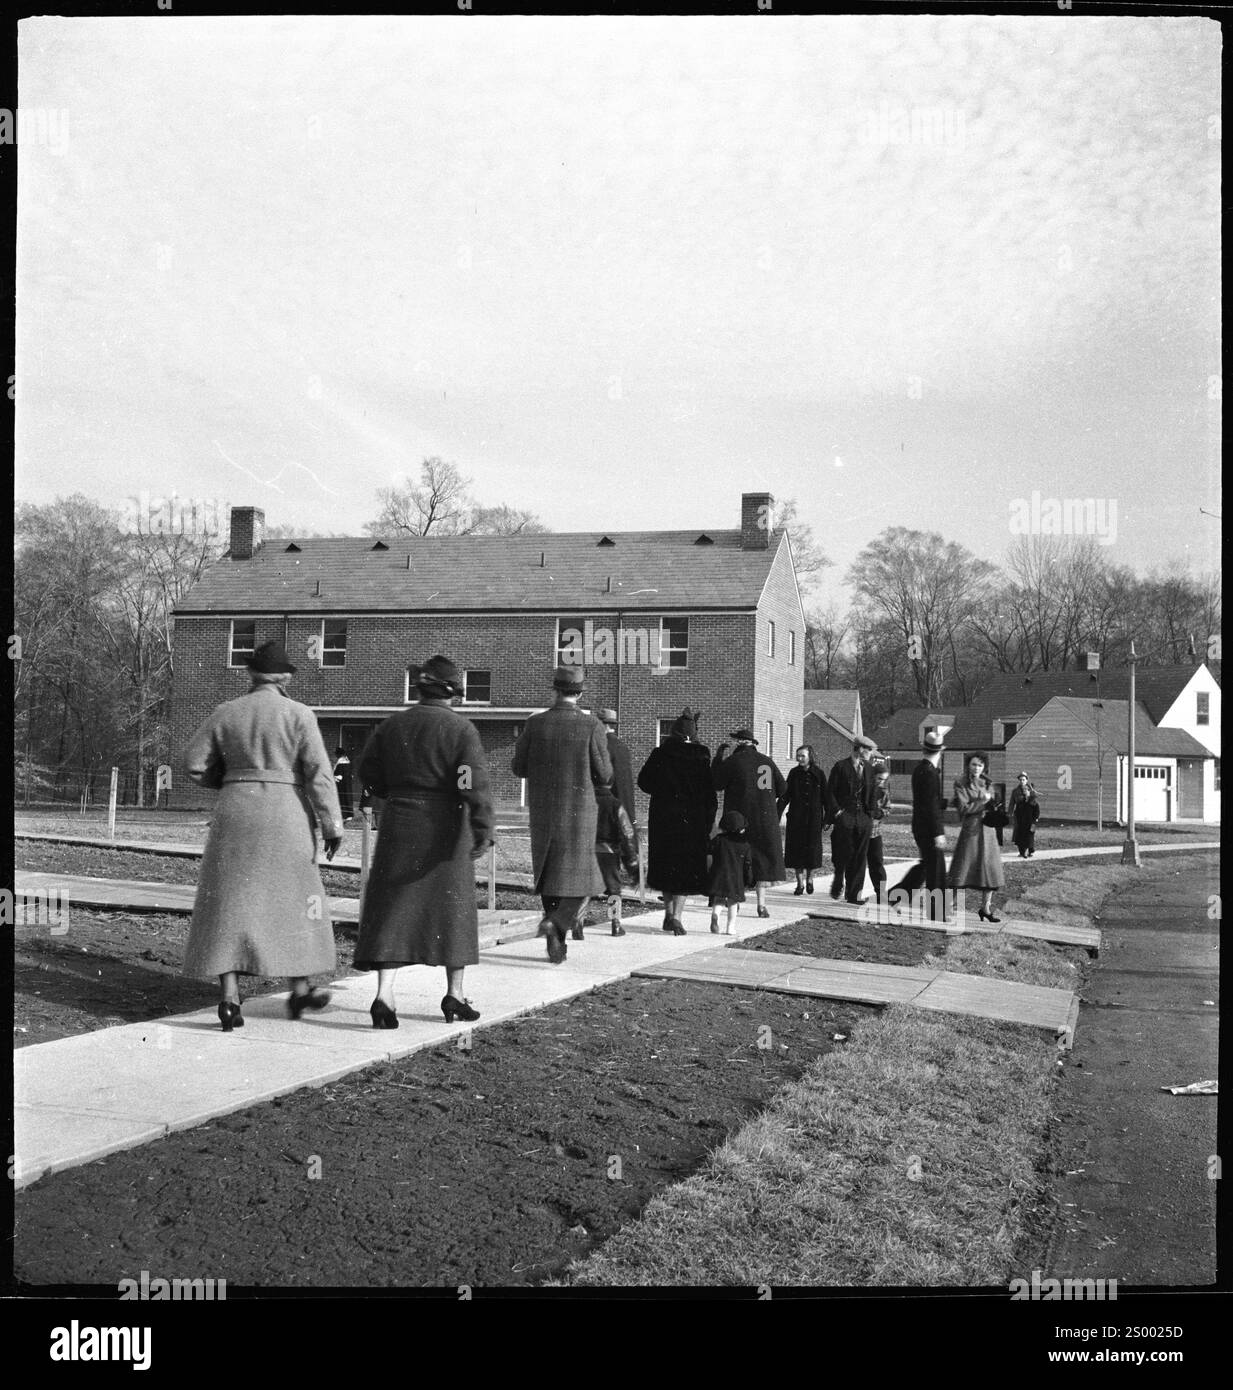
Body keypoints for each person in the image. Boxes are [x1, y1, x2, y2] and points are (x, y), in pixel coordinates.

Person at [182, 640, 343, 1031]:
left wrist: (234, 780)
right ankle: (300, 988)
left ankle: (229, 999)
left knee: (230, 901)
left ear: (251, 674)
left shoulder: (226, 712)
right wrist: (331, 824)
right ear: (285, 676)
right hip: (286, 813)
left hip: (236, 811)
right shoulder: (300, 715)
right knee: (296, 899)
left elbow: (192, 764)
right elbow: (319, 775)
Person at [353, 655, 494, 1027]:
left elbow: (368, 772)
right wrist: (482, 825)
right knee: (454, 912)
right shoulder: (461, 731)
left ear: (420, 687)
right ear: (454, 693)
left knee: (392, 908)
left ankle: (384, 995)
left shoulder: (391, 725)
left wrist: (392, 792)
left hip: (399, 822)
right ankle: (455, 995)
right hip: (446, 827)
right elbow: (470, 782)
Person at [512, 665, 613, 963]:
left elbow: (518, 768)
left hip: (544, 813)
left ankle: (555, 935)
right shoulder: (592, 726)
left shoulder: (536, 724)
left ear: (554, 690)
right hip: (581, 814)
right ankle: (557, 924)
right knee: (586, 880)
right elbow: (605, 774)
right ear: (580, 693)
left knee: (549, 874)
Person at [637, 707, 716, 935]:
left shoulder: (660, 753)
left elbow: (644, 783)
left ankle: (667, 913)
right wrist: (708, 820)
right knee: (685, 868)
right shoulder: (702, 756)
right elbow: (709, 794)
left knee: (665, 866)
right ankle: (677, 916)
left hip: (663, 819)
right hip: (692, 821)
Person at [712, 728, 787, 918]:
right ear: (753, 743)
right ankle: (761, 906)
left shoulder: (734, 761)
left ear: (739, 743)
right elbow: (783, 788)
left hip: (741, 821)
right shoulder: (767, 762)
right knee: (762, 862)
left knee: (738, 860)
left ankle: (735, 902)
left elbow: (716, 782)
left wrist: (718, 758)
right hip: (765, 820)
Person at [893, 730, 949, 922]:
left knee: (926, 866)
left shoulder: (920, 769)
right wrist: (938, 833)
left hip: (920, 826)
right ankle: (937, 913)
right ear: (941, 750)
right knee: (937, 871)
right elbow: (930, 806)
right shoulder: (930, 773)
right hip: (929, 829)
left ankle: (895, 896)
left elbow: (929, 801)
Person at [948, 752, 1005, 922]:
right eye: (973, 764)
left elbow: (993, 803)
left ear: (984, 767)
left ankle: (985, 909)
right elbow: (964, 808)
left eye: (980, 765)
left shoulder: (988, 782)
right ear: (968, 766)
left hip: (988, 831)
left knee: (990, 870)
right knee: (963, 868)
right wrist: (983, 802)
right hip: (971, 830)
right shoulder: (961, 783)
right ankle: (949, 907)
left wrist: (993, 802)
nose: (976, 768)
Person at [827, 736, 878, 904]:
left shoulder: (870, 769)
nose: (871, 754)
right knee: (844, 854)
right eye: (868, 750)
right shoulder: (841, 767)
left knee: (860, 857)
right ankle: (838, 879)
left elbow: (873, 794)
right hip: (845, 817)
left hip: (863, 819)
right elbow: (830, 793)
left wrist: (870, 816)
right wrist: (838, 813)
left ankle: (854, 895)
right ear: (860, 749)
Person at [778, 744, 834, 895]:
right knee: (795, 851)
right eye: (798, 756)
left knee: (812, 851)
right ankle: (799, 883)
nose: (799, 758)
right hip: (796, 819)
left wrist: (828, 818)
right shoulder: (793, 773)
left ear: (810, 756)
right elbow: (785, 795)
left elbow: (827, 798)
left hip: (814, 819)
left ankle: (810, 879)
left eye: (803, 756)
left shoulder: (819, 774)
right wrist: (777, 814)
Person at [594, 784, 639, 936]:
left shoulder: (587, 801)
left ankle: (577, 925)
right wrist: (631, 855)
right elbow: (627, 830)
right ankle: (616, 924)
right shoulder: (615, 804)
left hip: (588, 851)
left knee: (585, 888)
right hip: (609, 851)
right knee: (614, 889)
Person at [706, 810, 754, 934]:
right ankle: (730, 927)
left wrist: (709, 871)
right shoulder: (744, 845)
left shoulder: (718, 840)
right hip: (736, 878)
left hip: (719, 875)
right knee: (733, 902)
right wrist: (748, 879)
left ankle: (715, 915)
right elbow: (747, 865)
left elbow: (709, 856)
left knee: (719, 899)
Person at [866, 761, 892, 904]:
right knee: (856, 864)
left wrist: (879, 812)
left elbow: (888, 809)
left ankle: (881, 893)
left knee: (877, 863)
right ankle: (852, 892)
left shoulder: (884, 793)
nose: (881, 782)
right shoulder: (865, 789)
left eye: (884, 779)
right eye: (879, 779)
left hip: (875, 833)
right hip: (861, 833)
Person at [1009, 772, 1040, 857]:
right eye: (1020, 779)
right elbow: (1012, 803)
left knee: (1031, 833)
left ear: (1027, 780)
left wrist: (1036, 818)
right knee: (1019, 833)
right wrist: (1010, 813)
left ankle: (1030, 850)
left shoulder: (1032, 791)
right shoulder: (1015, 791)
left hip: (1031, 818)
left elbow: (1036, 806)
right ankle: (1022, 851)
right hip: (1020, 816)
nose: (1022, 781)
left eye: (1024, 779)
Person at [332, 746, 355, 823]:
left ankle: (344, 815)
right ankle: (349, 815)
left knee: (342, 799)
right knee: (348, 798)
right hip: (348, 784)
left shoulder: (340, 764)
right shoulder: (348, 762)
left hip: (341, 785)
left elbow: (339, 776)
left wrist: (334, 777)